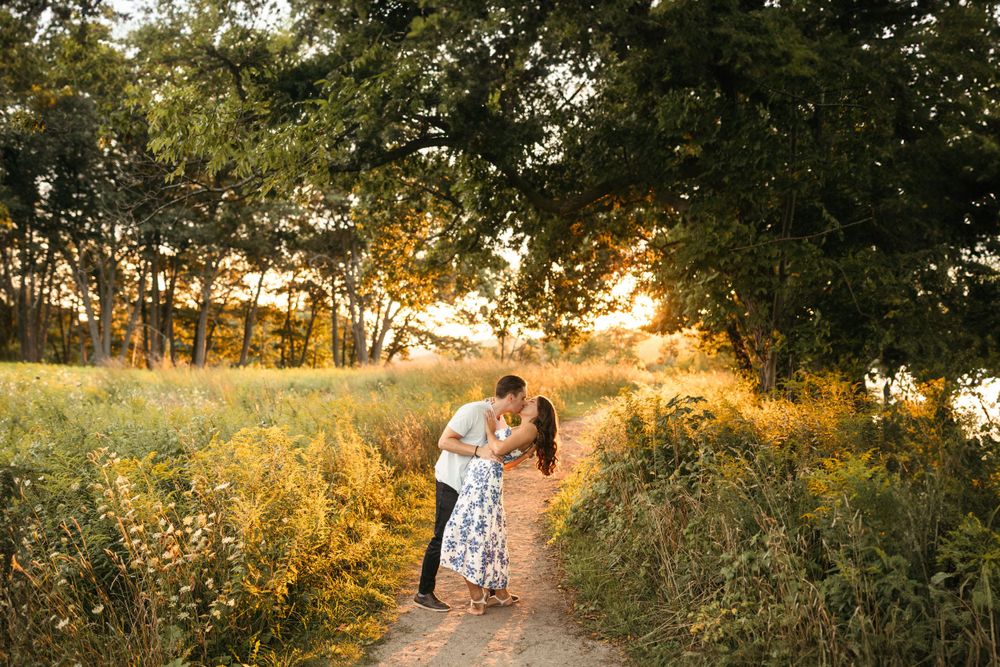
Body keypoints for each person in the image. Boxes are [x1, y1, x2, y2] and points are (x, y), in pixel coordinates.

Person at [413, 375, 528, 612]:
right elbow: (444, 441)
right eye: (523, 398)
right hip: (452, 481)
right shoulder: (473, 410)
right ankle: (424, 593)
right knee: (443, 534)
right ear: (510, 396)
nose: (524, 403)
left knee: (484, 536)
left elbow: (497, 456)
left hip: (474, 490)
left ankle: (495, 592)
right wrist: (478, 451)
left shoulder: (501, 421)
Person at [440, 395, 559, 615]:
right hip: (483, 481)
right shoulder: (525, 430)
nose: (526, 402)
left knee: (468, 536)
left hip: (482, 485)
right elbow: (507, 462)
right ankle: (500, 594)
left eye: (531, 402)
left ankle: (478, 599)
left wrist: (488, 429)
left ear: (539, 414)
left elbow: (497, 448)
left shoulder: (530, 429)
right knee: (486, 536)